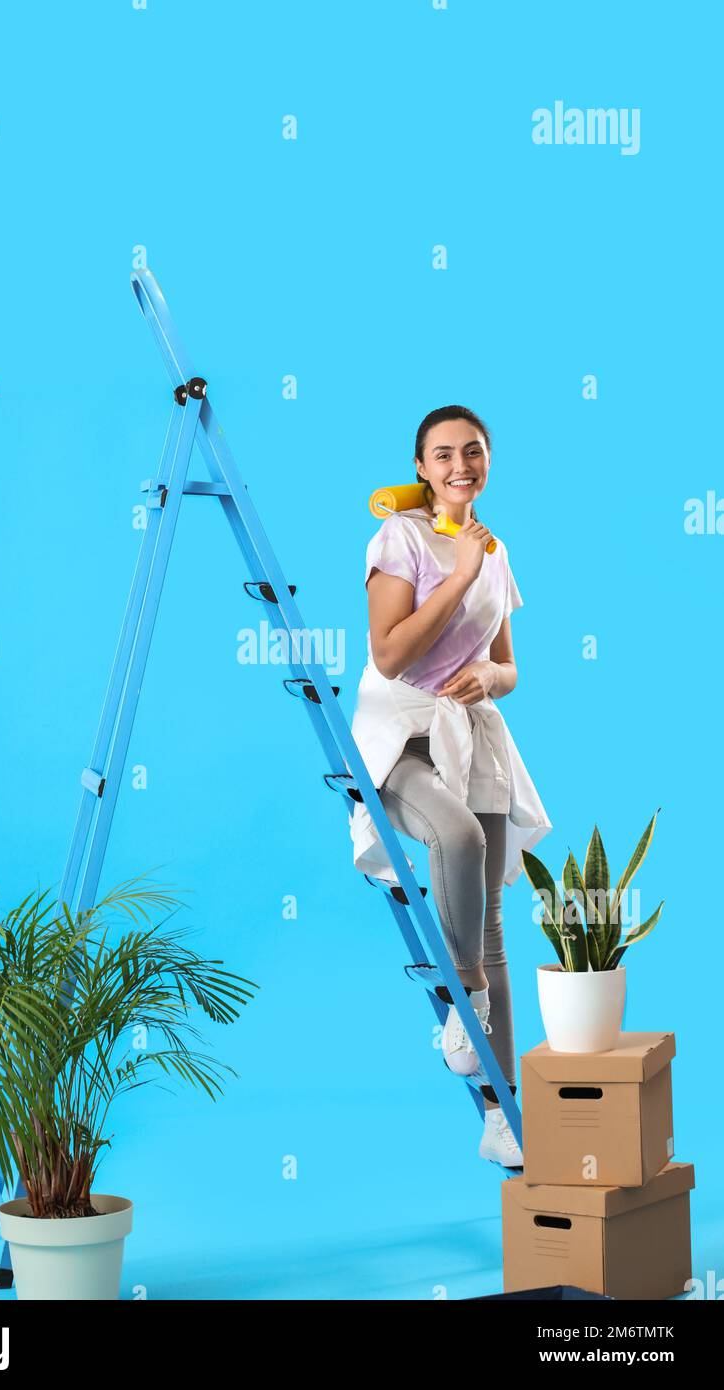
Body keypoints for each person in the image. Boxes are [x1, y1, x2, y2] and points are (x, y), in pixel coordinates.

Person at [348, 405, 551, 1168]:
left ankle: (501, 1116)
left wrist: (490, 676)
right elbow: (391, 652)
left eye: (473, 451)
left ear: (488, 460)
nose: (460, 464)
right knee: (456, 837)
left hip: (472, 735)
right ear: (423, 467)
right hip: (399, 738)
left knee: (493, 925)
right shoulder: (397, 537)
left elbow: (509, 664)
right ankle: (462, 1000)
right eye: (443, 454)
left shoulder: (495, 551)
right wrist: (457, 573)